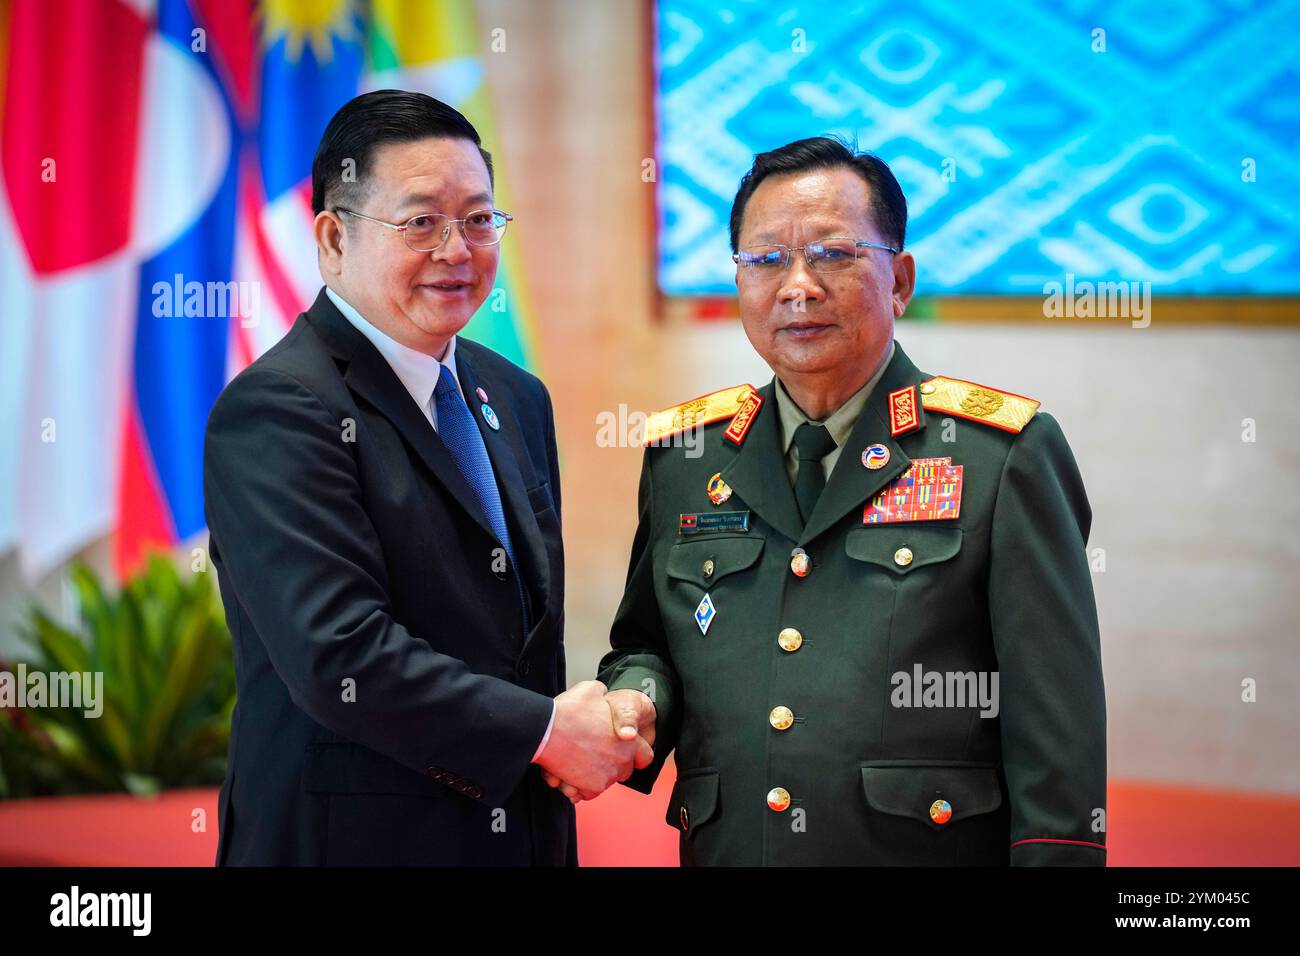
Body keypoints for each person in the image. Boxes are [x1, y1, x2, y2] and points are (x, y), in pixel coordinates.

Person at [573, 136, 1107, 865]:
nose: (798, 286)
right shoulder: (685, 459)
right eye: (765, 260)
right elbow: (647, 646)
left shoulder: (1000, 455)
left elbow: (1057, 728)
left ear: (900, 279)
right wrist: (635, 701)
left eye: (832, 254)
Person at [204, 90, 648, 866]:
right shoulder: (279, 409)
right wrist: (546, 731)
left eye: (479, 219)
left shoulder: (513, 394)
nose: (457, 249)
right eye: (421, 222)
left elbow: (521, 639)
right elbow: (341, 654)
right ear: (334, 239)